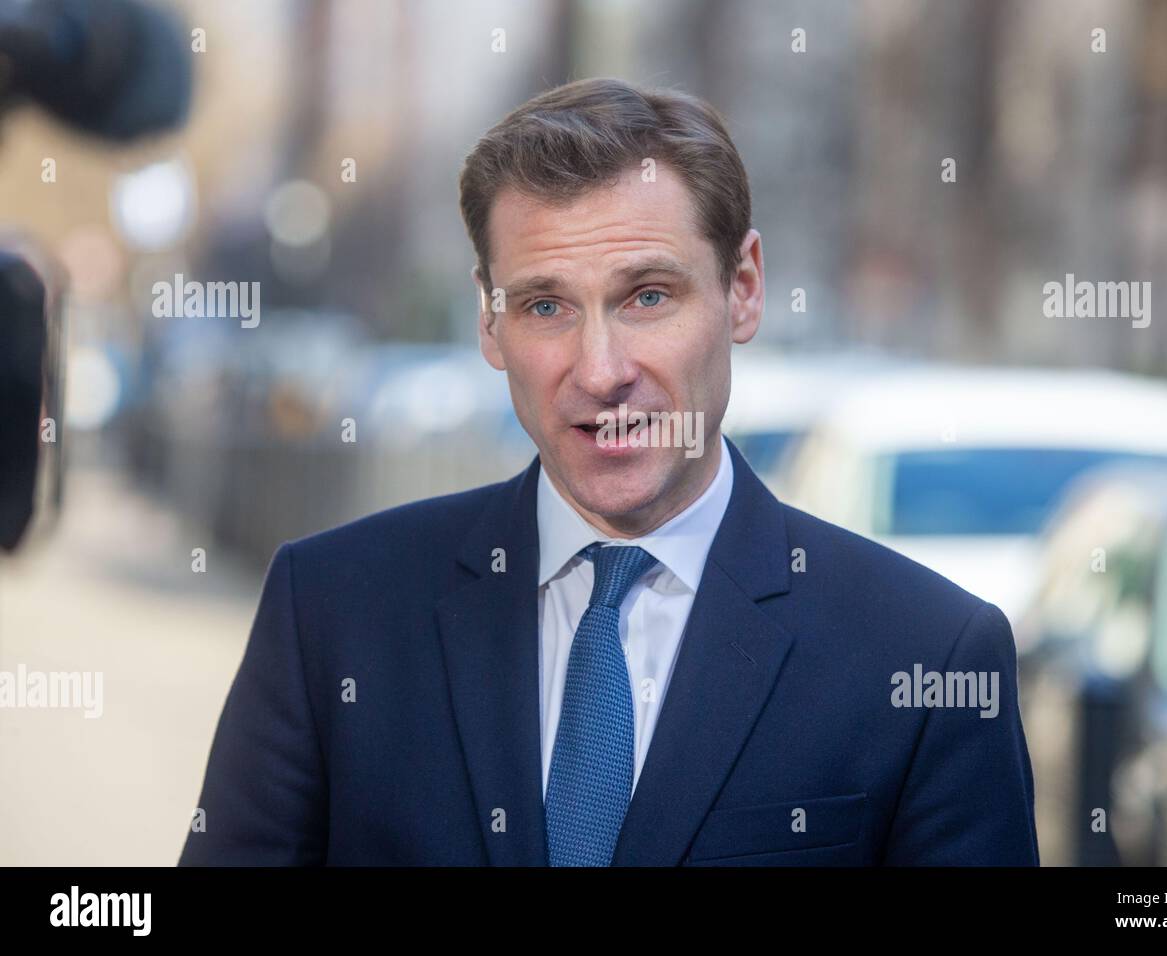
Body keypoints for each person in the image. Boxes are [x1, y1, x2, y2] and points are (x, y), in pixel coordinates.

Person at [179, 77, 1038, 866]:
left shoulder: (925, 655)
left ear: (743, 288)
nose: (599, 370)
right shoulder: (331, 611)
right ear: (489, 322)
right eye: (547, 306)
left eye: (647, 297)